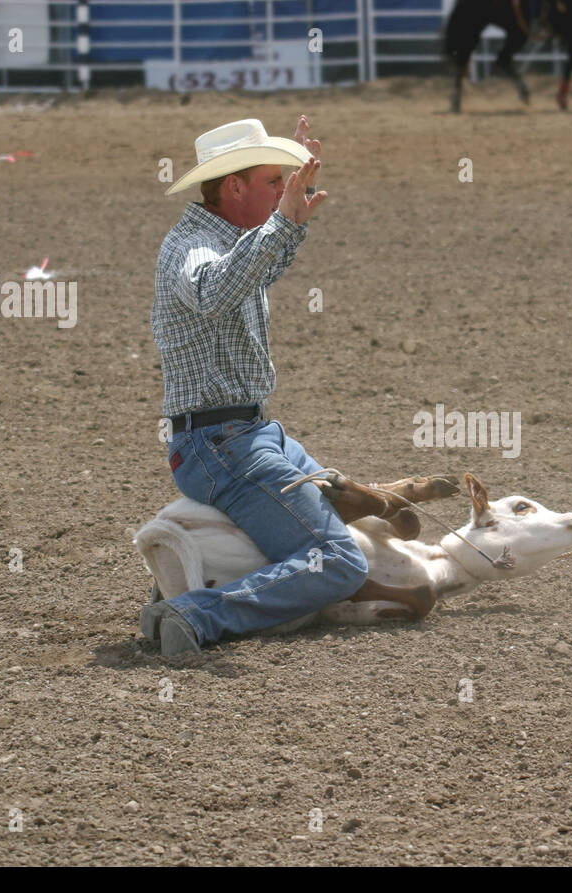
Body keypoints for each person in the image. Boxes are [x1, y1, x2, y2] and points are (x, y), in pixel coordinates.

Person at [139, 116, 368, 656]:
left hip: (244, 434)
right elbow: (215, 290)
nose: (280, 192)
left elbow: (260, 266)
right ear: (234, 186)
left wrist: (290, 215)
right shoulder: (191, 247)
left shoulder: (226, 238)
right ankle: (196, 613)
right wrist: (285, 221)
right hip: (222, 445)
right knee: (338, 559)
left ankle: (195, 576)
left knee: (350, 501)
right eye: (273, 182)